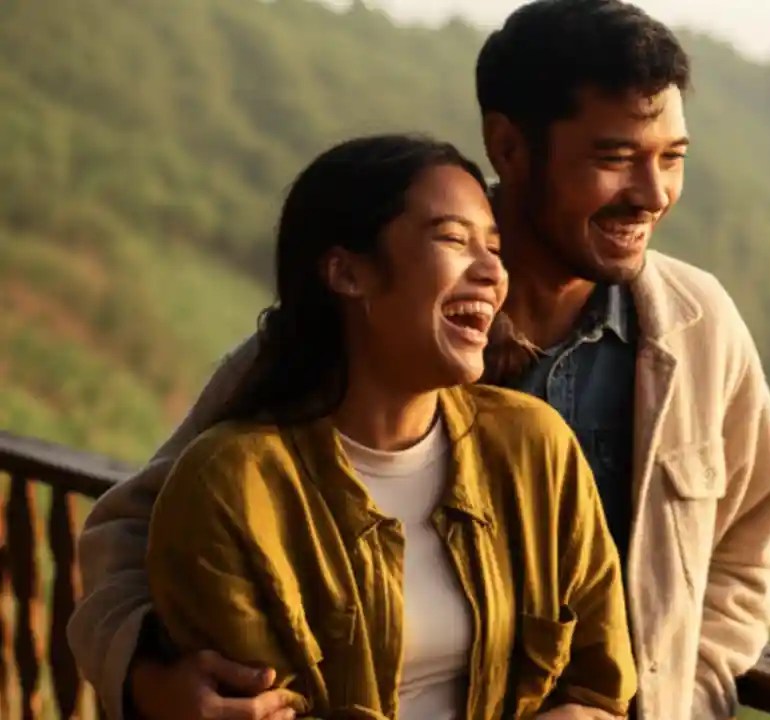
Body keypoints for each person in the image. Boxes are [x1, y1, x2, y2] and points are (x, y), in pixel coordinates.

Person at [69, 1, 770, 718]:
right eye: (613, 158)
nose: (653, 193)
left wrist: (680, 700)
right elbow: (132, 528)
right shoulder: (355, 329)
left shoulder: (699, 329)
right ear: (509, 147)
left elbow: (750, 554)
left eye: (672, 159)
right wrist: (145, 681)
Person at [78, 134, 636, 720]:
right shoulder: (234, 484)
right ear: (346, 272)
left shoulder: (536, 447)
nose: (493, 273)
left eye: (494, 248)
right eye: (452, 239)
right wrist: (144, 681)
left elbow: (598, 690)